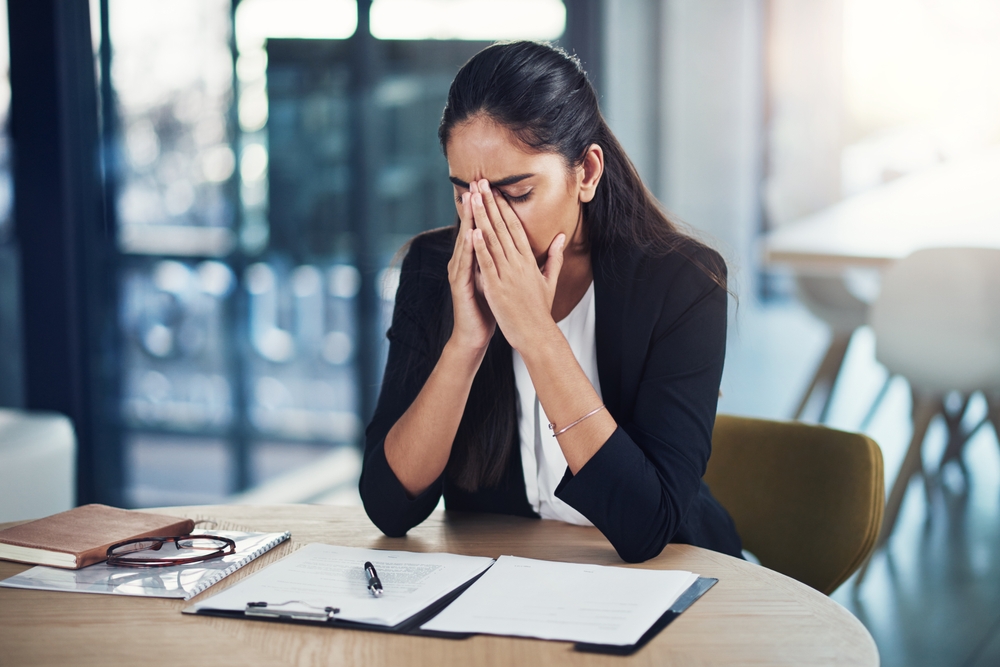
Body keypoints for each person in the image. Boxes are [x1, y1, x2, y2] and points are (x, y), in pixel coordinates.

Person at [359, 41, 742, 562]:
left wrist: (537, 334)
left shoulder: (681, 283)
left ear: (585, 172)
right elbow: (388, 508)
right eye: (465, 195)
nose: (487, 226)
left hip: (666, 578)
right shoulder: (435, 270)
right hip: (504, 583)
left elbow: (647, 526)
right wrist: (464, 345)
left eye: (516, 194)